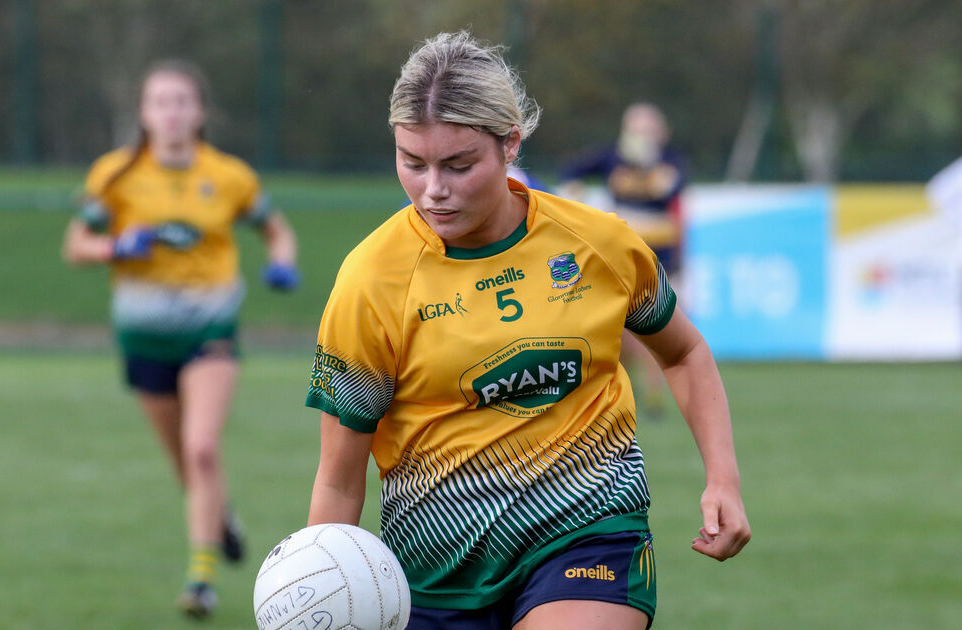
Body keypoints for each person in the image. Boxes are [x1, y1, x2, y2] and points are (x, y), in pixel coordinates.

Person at [305, 32, 748, 630]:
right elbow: (338, 479)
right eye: (413, 163)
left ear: (510, 143)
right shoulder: (370, 281)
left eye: (459, 165)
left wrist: (723, 478)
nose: (434, 189)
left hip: (590, 533)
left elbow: (685, 351)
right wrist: (319, 586)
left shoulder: (600, 244)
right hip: (434, 576)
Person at [62, 59, 299, 619]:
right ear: (144, 113)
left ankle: (201, 579)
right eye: (159, 102)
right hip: (143, 338)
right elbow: (75, 244)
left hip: (210, 331)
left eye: (181, 101)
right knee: (182, 462)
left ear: (200, 111)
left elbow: (275, 227)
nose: (171, 113)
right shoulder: (115, 175)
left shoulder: (229, 175)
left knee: (201, 448)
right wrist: (115, 248)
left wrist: (281, 261)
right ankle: (221, 519)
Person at [558, 102, 687, 419]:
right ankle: (624, 391)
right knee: (624, 334)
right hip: (622, 256)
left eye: (647, 129)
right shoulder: (610, 158)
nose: (640, 136)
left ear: (661, 132)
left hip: (662, 259)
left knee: (661, 330)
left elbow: (673, 191)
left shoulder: (671, 163)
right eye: (635, 129)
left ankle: (655, 398)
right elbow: (569, 172)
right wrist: (576, 195)